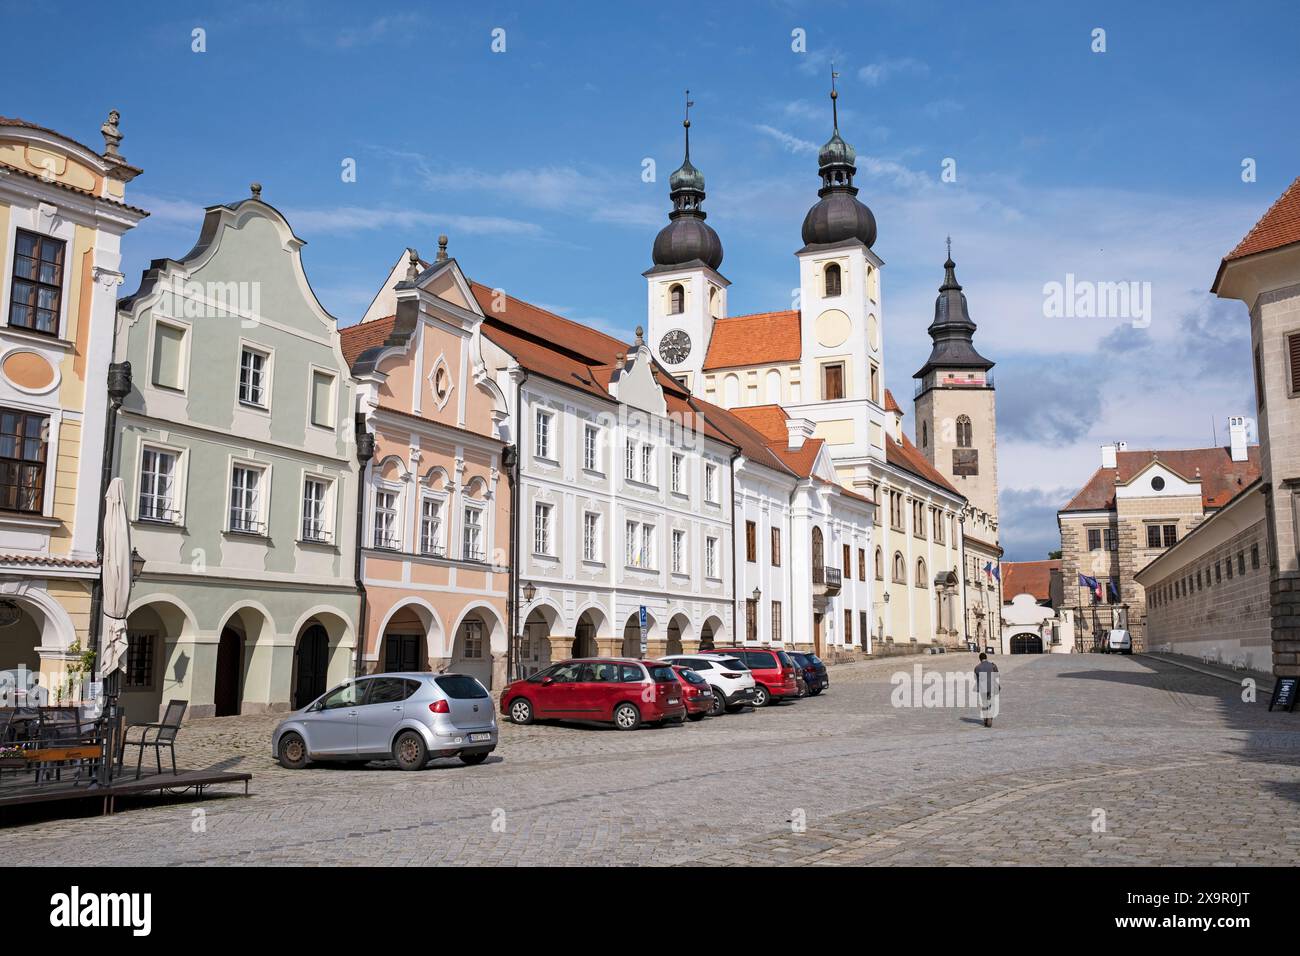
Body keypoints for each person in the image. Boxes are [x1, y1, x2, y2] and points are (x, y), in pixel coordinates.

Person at [973, 653, 999, 728]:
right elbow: (997, 675)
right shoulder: (992, 665)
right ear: (986, 658)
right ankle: (990, 717)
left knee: (984, 703)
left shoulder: (977, 667)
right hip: (992, 687)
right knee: (991, 702)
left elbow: (976, 677)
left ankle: (985, 719)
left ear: (980, 659)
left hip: (983, 688)